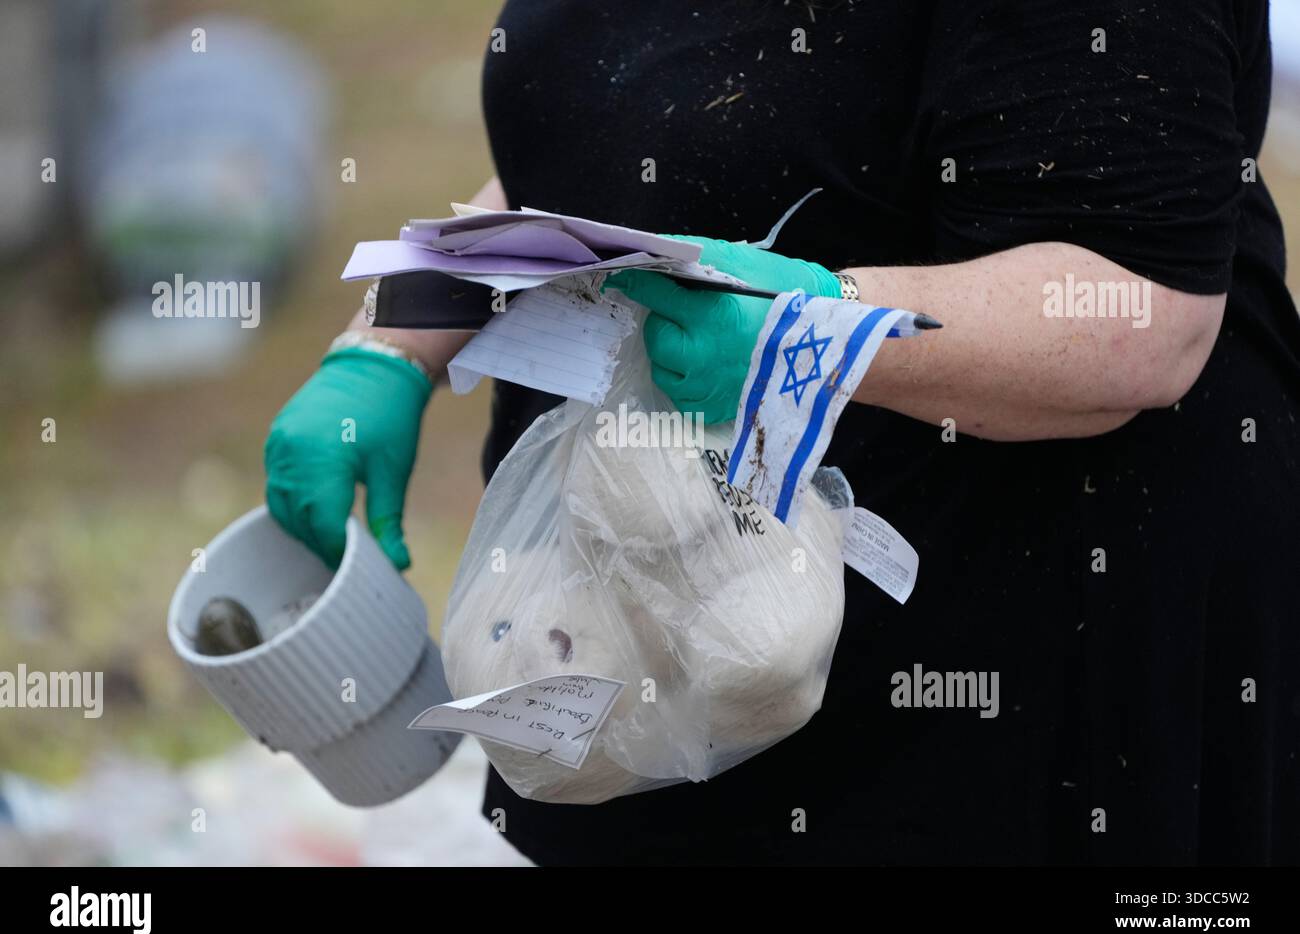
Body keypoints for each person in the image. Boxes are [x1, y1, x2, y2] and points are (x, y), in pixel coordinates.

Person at [264, 0, 1300, 864]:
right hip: (654, 664)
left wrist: (811, 333)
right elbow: (605, 131)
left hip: (1002, 688)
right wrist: (396, 339)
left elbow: (1140, 317)